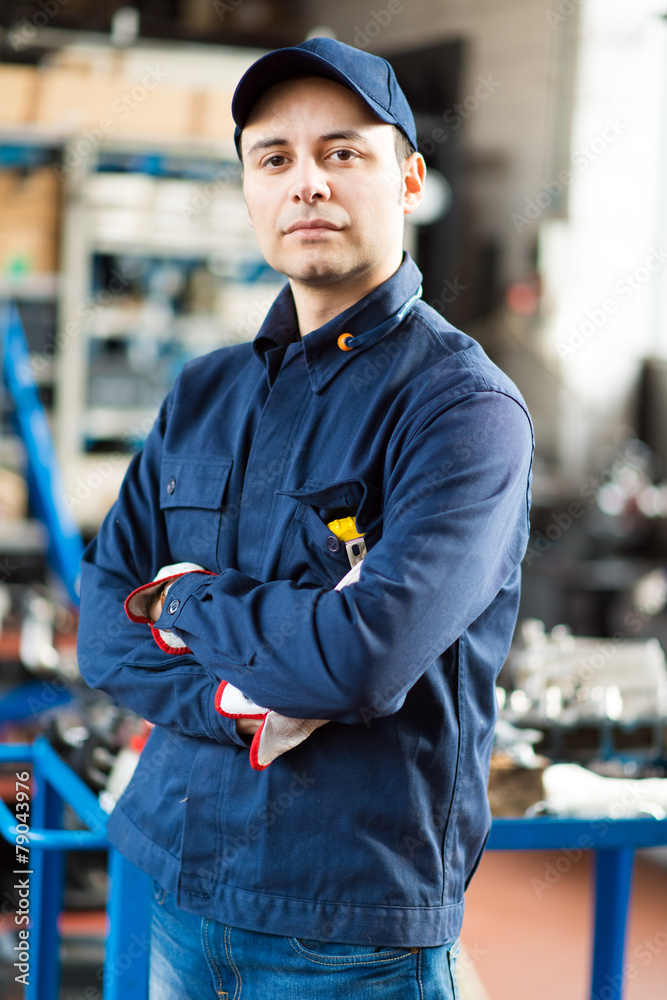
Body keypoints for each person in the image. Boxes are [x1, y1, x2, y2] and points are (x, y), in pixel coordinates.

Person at [77, 36, 533, 999]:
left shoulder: (461, 410)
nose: (307, 183)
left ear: (409, 180)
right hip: (176, 883)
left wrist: (183, 600)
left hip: (347, 927)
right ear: (248, 189)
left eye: (342, 152)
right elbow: (104, 627)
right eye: (274, 158)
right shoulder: (203, 393)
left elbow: (357, 660)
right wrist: (236, 702)